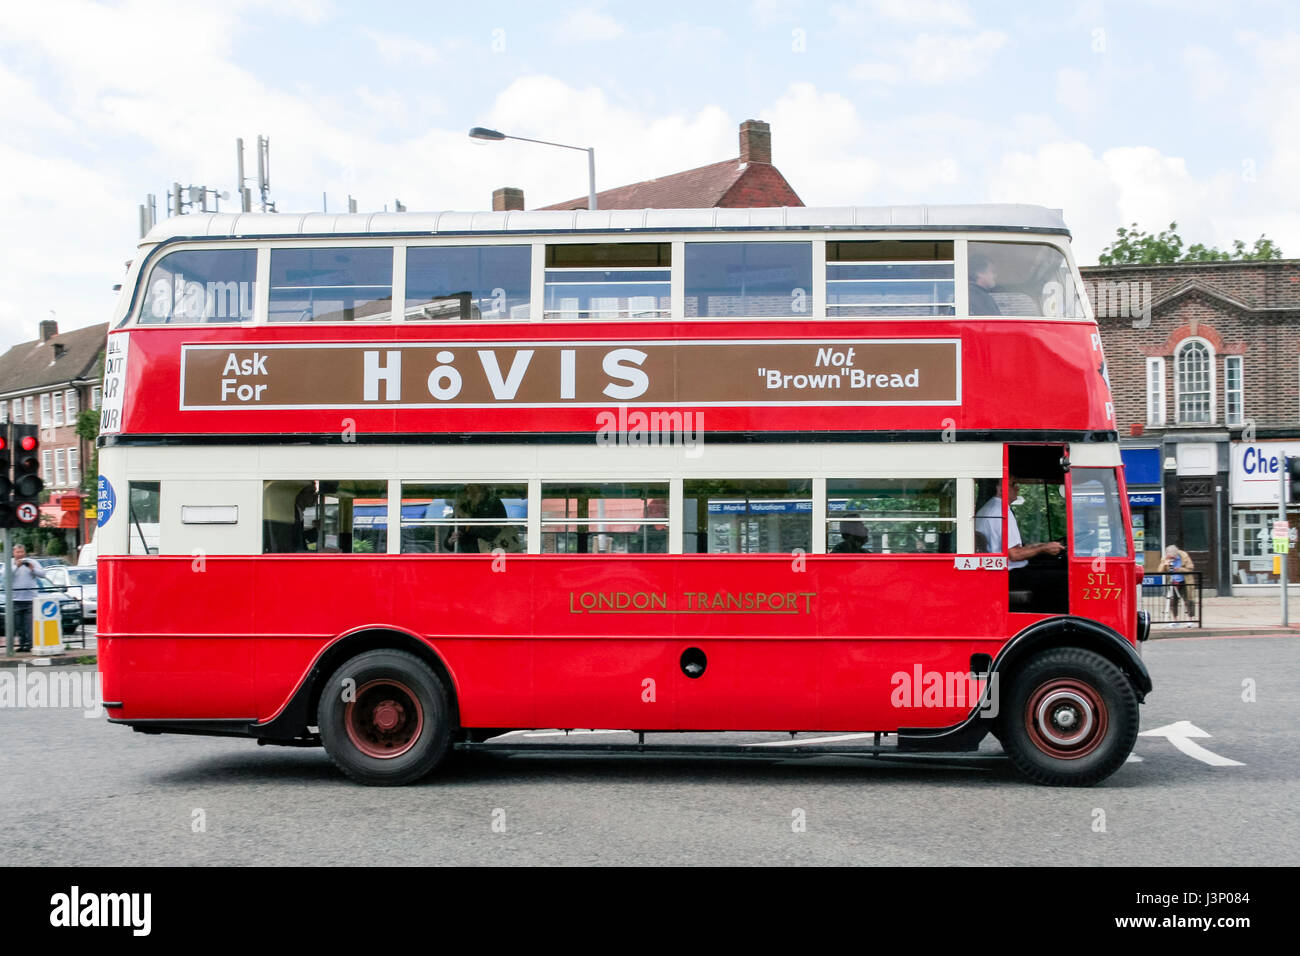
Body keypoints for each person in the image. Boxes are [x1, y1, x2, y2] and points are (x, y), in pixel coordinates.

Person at [975, 478, 1065, 568]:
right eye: (1013, 484)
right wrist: (1043, 548)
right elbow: (1014, 554)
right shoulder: (1001, 512)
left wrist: (1040, 545)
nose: (1018, 488)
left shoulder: (989, 508)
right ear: (1000, 488)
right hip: (1010, 573)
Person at [7, 544, 48, 652]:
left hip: (30, 599)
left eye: (21, 552)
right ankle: (21, 644)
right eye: (17, 552)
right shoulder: (10, 562)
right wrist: (17, 566)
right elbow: (5, 576)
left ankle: (30, 644)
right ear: (13, 553)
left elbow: (43, 574)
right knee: (18, 625)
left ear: (24, 552)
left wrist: (32, 569)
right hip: (16, 599)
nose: (20, 554)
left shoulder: (32, 562)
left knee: (29, 624)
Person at [446, 484, 508, 553]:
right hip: (466, 556)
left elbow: (492, 533)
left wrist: (466, 521)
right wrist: (451, 540)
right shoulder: (463, 507)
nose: (468, 491)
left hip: (490, 554)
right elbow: (448, 542)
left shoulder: (494, 503)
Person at [1157, 545, 1196, 626]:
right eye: (1170, 557)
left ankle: (1190, 620)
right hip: (1173, 583)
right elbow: (1159, 571)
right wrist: (1164, 564)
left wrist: (1180, 569)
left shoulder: (1184, 556)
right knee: (1173, 602)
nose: (1172, 559)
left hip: (1185, 581)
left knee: (1188, 600)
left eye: (1173, 557)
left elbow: (1191, 568)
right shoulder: (1166, 558)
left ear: (1176, 554)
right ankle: (1175, 620)